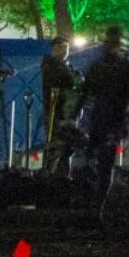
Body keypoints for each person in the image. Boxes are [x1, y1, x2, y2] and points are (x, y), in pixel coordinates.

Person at [81, 27, 129, 208]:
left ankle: (100, 201)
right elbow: (85, 92)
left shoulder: (127, 69)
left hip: (115, 121)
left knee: (105, 161)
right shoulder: (98, 67)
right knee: (90, 156)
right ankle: (93, 195)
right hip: (99, 118)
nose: (112, 49)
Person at [39, 37, 85, 177]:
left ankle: (63, 177)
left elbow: (78, 82)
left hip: (70, 113)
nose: (64, 51)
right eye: (60, 47)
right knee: (56, 147)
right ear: (53, 49)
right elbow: (68, 80)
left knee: (68, 148)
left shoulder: (67, 66)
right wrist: (75, 78)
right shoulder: (51, 65)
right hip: (57, 113)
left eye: (66, 48)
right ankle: (50, 177)